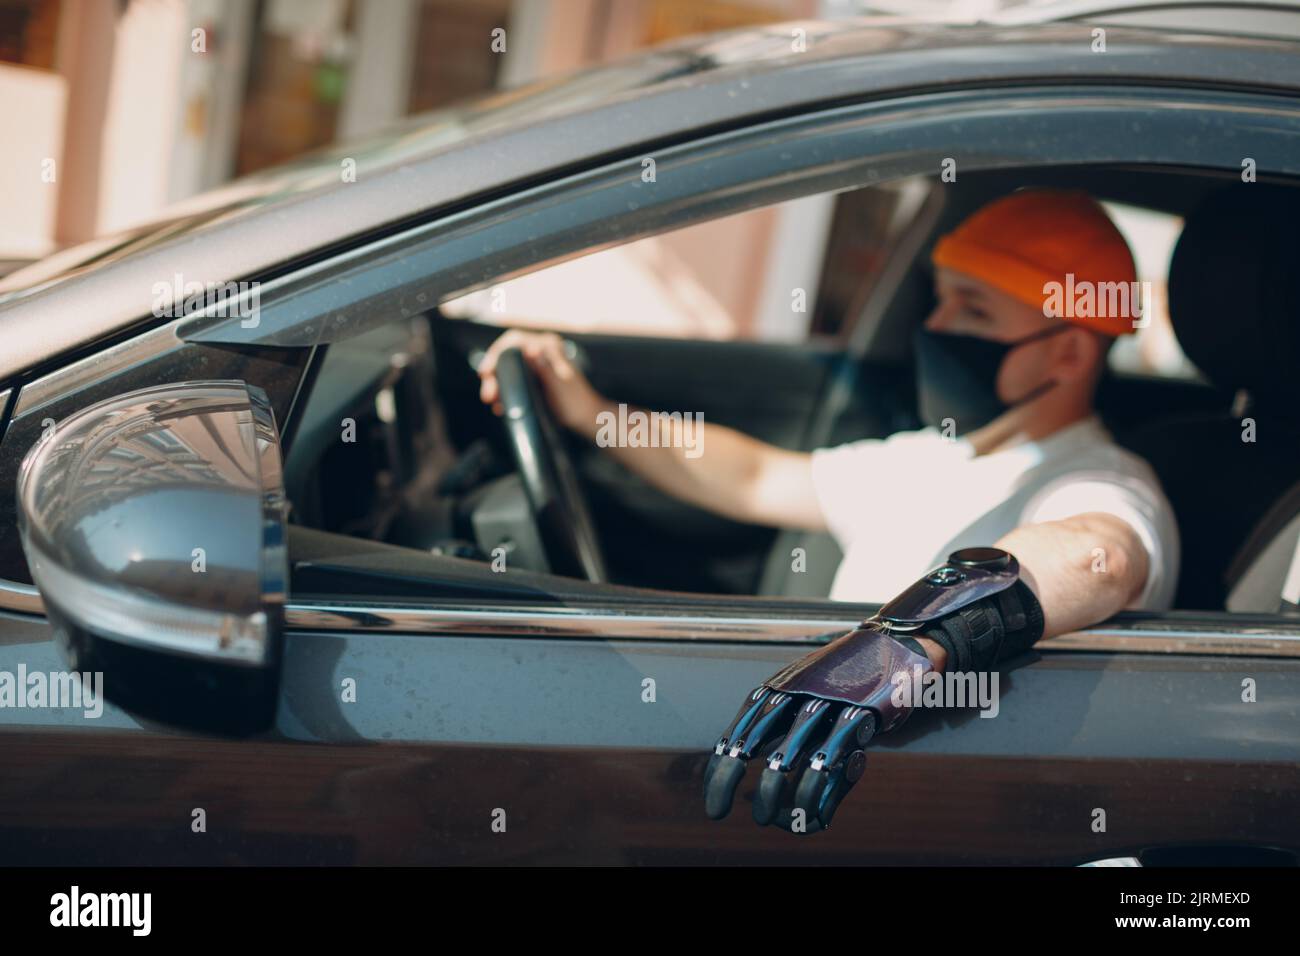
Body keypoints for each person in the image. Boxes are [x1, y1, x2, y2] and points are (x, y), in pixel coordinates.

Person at [477, 189, 1179, 672]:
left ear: (1069, 352)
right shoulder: (940, 458)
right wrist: (590, 412)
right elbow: (758, 477)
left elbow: (1100, 558)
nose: (934, 329)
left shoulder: (1100, 480)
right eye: (939, 304)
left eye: (974, 313)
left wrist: (906, 649)